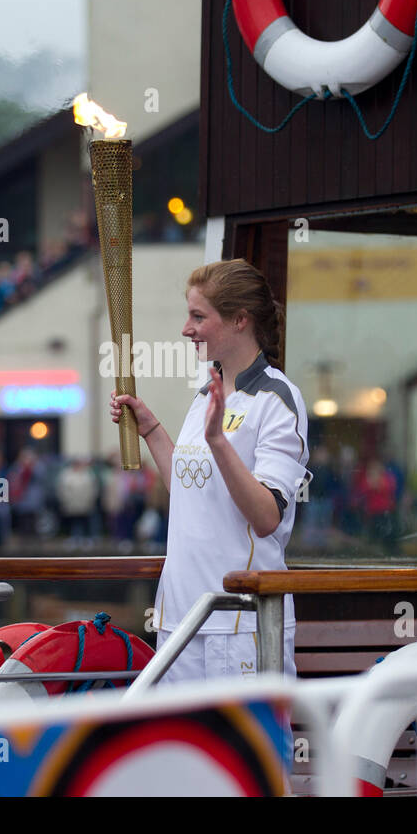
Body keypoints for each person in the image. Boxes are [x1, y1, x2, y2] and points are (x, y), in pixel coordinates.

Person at [111, 259, 310, 683]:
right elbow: (189, 489)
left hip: (239, 622)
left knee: (245, 752)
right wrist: (151, 430)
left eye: (199, 316)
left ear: (240, 320)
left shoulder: (277, 399)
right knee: (180, 750)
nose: (186, 329)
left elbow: (266, 516)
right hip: (178, 617)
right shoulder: (207, 394)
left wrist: (218, 442)